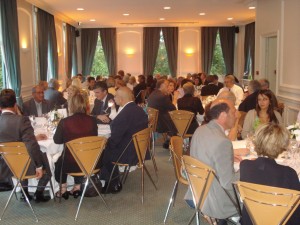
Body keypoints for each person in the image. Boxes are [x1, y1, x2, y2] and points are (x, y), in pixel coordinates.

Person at [185, 98, 240, 224]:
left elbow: (210, 157)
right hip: (216, 201)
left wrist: (229, 157)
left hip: (198, 190)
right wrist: (248, 169)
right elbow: (228, 183)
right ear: (223, 115)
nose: (236, 115)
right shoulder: (223, 142)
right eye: (233, 112)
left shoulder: (201, 130)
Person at [240, 123, 300, 225]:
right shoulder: (289, 173)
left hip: (251, 220)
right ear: (282, 146)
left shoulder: (245, 166)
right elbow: (296, 209)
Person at [0, 89, 50, 202]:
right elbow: (32, 146)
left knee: (19, 156)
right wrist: (39, 166)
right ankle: (39, 193)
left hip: (5, 167)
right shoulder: (22, 121)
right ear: (15, 105)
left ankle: (25, 193)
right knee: (48, 162)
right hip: (23, 165)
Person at [100, 87, 148, 194]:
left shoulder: (125, 114)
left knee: (104, 150)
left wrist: (105, 144)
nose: (114, 98)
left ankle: (112, 183)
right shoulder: (139, 110)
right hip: (139, 150)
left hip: (128, 153)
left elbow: (115, 139)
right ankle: (112, 180)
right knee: (108, 146)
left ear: (121, 99)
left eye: (115, 96)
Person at [53, 92, 98, 199]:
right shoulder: (92, 120)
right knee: (78, 155)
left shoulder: (65, 122)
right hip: (89, 161)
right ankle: (77, 187)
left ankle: (63, 187)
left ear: (71, 105)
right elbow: (93, 138)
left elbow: (57, 140)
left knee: (60, 160)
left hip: (70, 164)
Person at [147, 79, 177, 148]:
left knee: (172, 118)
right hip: (160, 124)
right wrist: (175, 98)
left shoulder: (153, 94)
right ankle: (172, 142)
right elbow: (173, 109)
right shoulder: (163, 96)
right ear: (161, 86)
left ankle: (169, 139)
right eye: (167, 86)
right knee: (179, 121)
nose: (168, 88)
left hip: (153, 121)